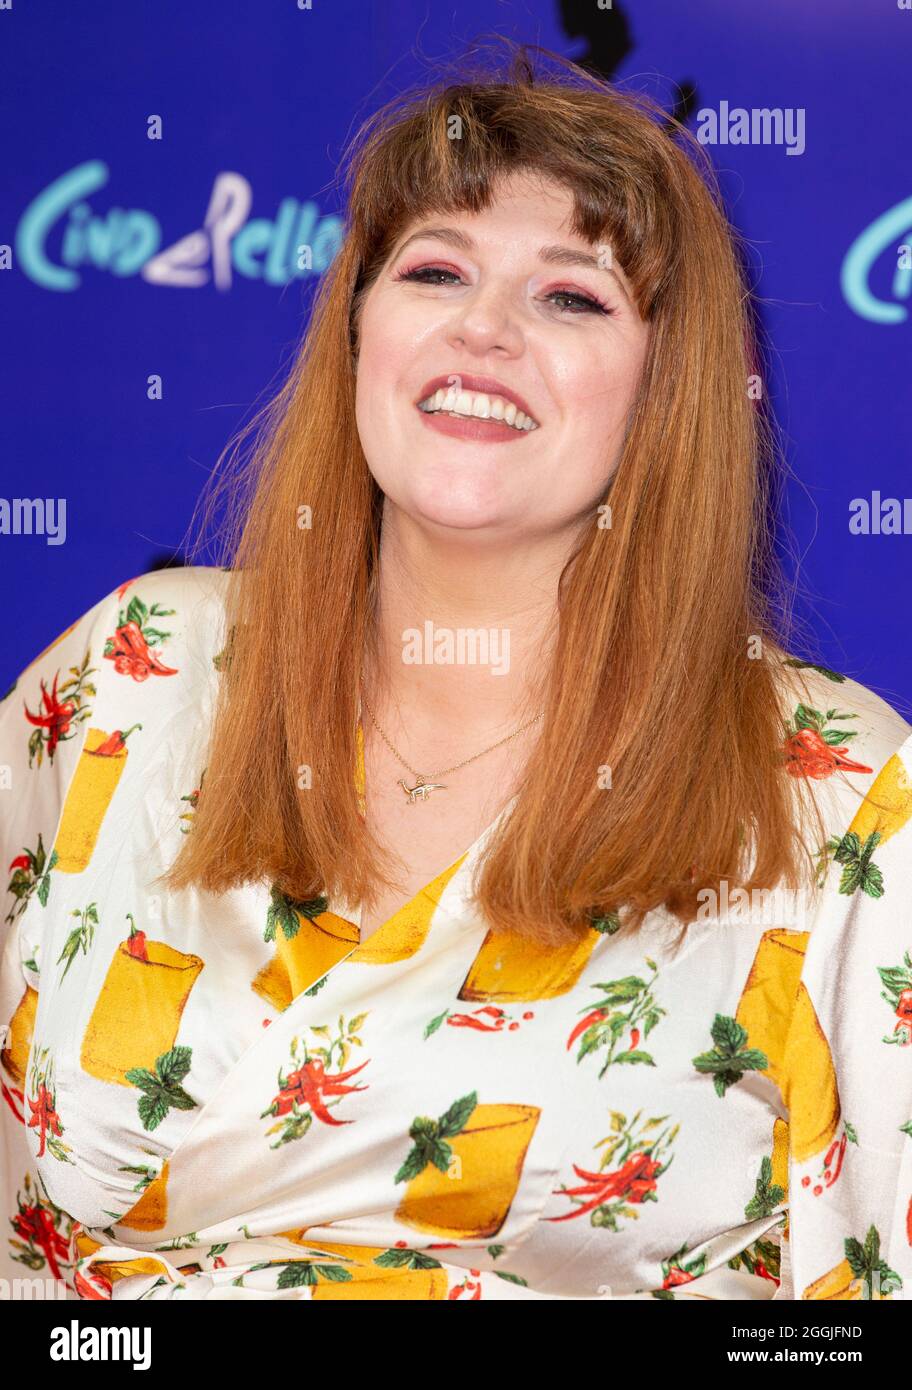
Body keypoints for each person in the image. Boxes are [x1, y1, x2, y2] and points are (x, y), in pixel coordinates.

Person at [2, 46, 911, 1302]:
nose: (483, 328)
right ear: (357, 333)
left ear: (668, 391)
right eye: (436, 271)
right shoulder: (136, 670)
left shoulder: (840, 793)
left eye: (571, 297)